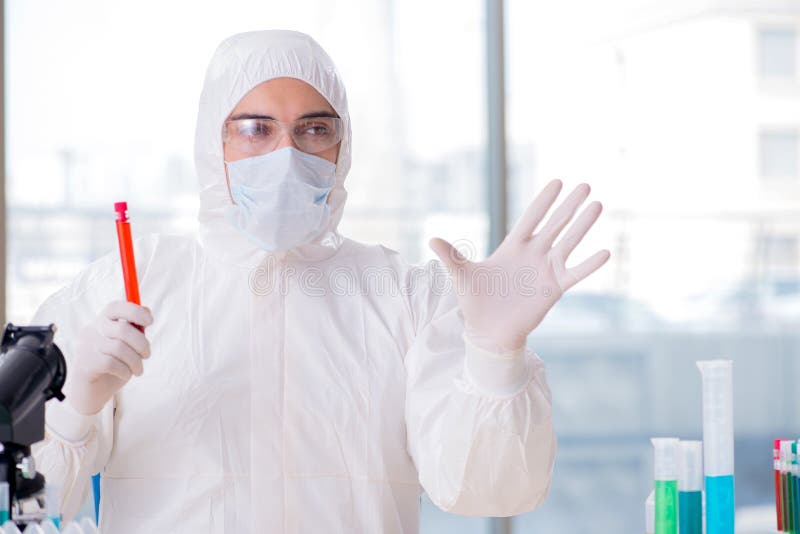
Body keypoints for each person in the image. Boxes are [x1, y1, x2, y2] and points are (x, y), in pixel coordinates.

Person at [31, 30, 610, 533]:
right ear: (214, 144)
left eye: (313, 129)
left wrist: (494, 356)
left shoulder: (405, 297)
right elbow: (34, 504)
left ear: (341, 145)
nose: (286, 154)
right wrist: (75, 401)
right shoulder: (130, 286)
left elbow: (488, 490)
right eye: (255, 129)